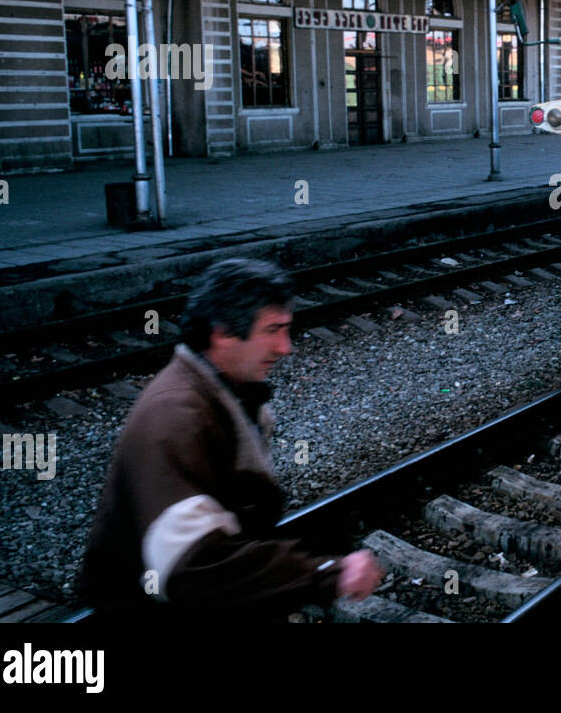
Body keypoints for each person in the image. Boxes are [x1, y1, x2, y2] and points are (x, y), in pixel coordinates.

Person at [77, 258, 383, 620]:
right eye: (273, 330)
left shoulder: (219, 391)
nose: (286, 347)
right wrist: (326, 574)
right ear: (222, 333)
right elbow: (191, 565)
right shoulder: (178, 416)